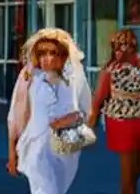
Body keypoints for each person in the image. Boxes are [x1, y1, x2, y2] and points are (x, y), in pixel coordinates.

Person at [7, 28, 91, 194]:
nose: (47, 58)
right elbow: (15, 116)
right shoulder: (29, 79)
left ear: (63, 55)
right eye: (42, 53)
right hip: (36, 145)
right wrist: (12, 152)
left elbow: (82, 112)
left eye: (53, 53)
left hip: (64, 147)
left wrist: (65, 121)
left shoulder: (71, 82)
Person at [88, 29, 140, 194]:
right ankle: (128, 188)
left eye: (123, 45)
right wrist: (92, 120)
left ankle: (127, 186)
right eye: (115, 46)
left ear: (133, 46)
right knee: (128, 168)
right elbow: (99, 97)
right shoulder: (110, 68)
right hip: (121, 121)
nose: (119, 50)